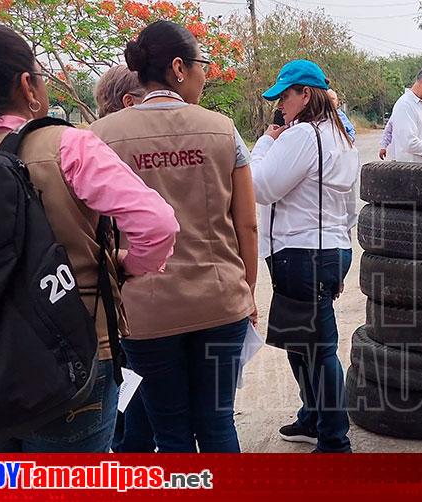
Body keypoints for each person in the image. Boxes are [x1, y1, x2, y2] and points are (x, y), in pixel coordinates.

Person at [0, 21, 178, 453]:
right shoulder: (66, 146)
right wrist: (128, 265)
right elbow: (158, 223)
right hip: (78, 358)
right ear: (26, 85)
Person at [89, 20, 258, 453]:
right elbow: (247, 225)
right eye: (204, 63)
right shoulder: (222, 129)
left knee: (170, 432)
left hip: (145, 313)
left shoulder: (98, 138)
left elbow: (93, 232)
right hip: (221, 302)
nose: (206, 73)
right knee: (219, 425)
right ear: (179, 68)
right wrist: (248, 292)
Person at [250, 59, 359, 453]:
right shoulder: (343, 137)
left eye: (285, 96)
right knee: (302, 341)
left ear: (305, 95)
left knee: (319, 348)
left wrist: (265, 142)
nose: (281, 105)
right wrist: (339, 254)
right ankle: (312, 416)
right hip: (330, 249)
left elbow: (259, 186)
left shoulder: (300, 137)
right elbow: (349, 206)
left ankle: (334, 440)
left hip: (302, 253)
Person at [93, 65, 157, 454]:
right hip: (129, 296)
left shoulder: (93, 146)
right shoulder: (96, 152)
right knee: (136, 385)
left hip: (114, 297)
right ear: (129, 102)